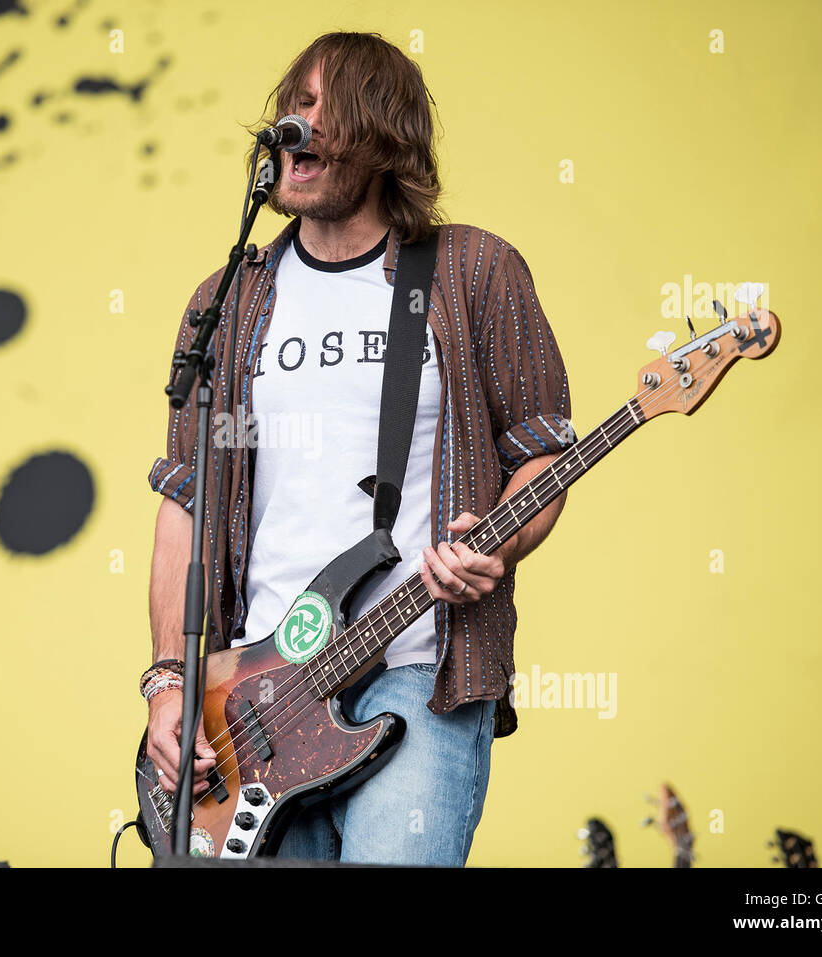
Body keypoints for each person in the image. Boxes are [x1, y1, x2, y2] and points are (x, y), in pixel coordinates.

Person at [143, 31, 575, 865]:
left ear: (381, 136)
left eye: (319, 109)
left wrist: (497, 542)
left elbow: (544, 450)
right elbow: (183, 502)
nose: (291, 127)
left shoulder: (472, 272)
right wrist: (170, 682)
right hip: (255, 702)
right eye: (288, 107)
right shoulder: (229, 303)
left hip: (419, 669)